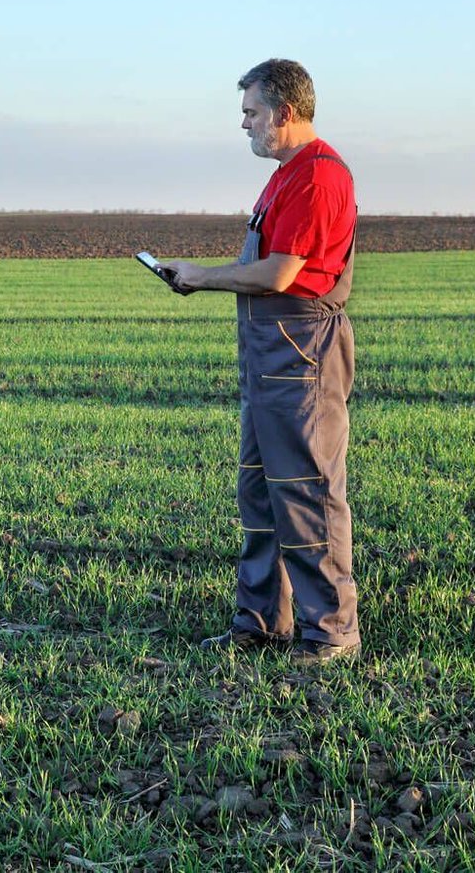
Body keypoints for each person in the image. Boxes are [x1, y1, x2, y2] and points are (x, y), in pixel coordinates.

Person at [163, 58, 360, 666]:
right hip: (268, 355)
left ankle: (331, 632)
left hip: (302, 352)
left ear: (286, 113)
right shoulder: (285, 174)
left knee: (306, 488)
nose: (244, 124)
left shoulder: (317, 177)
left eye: (251, 113)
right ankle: (260, 621)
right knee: (262, 493)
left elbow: (280, 273)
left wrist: (203, 276)